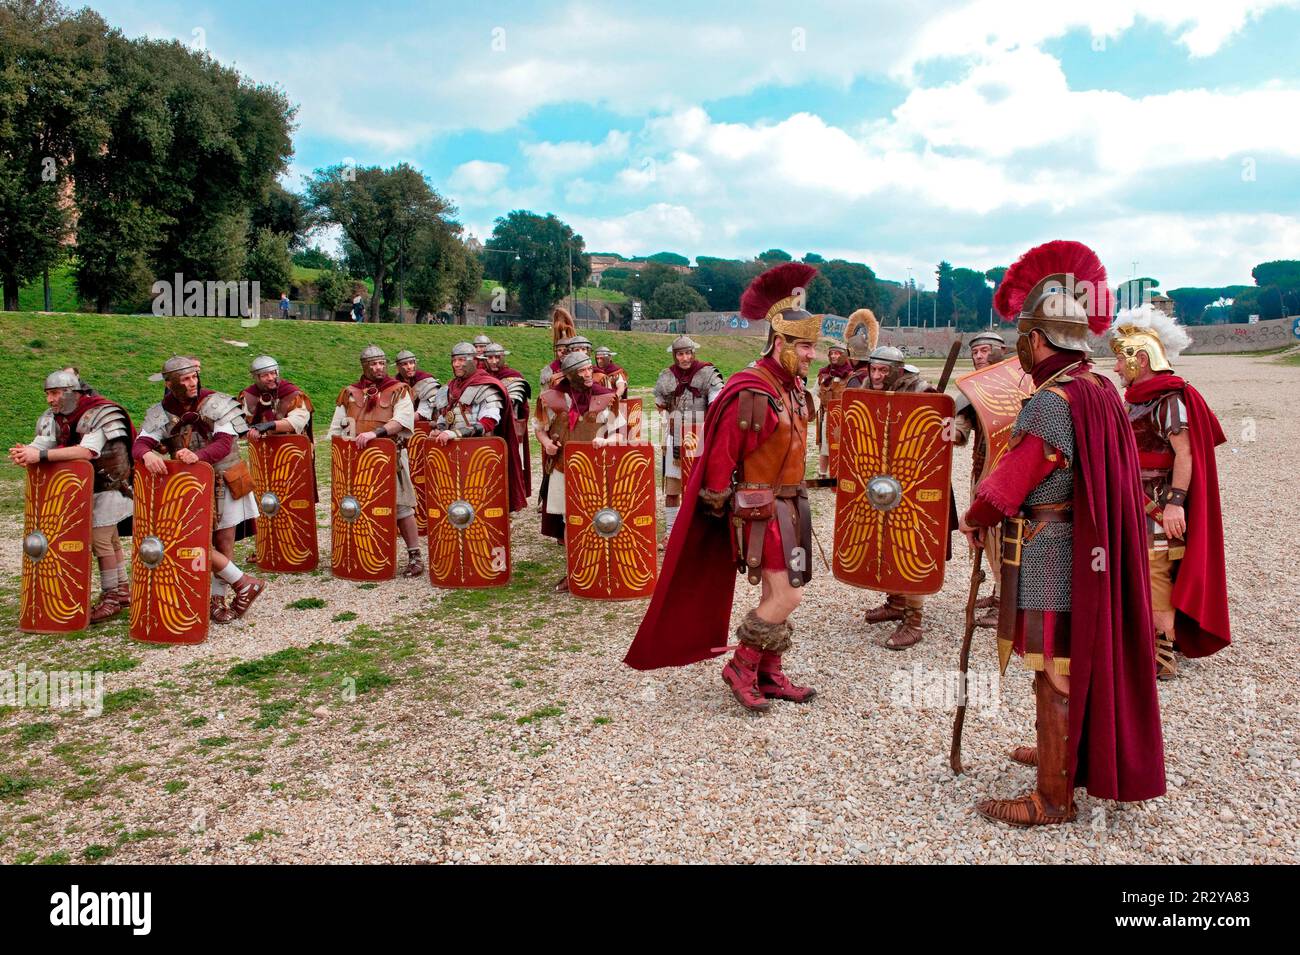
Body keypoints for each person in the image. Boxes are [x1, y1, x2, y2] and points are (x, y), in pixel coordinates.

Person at [959, 239, 1164, 826]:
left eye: (1024, 337)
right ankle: (1063, 752)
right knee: (1064, 665)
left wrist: (976, 520)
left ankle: (1053, 796)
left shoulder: (1053, 400)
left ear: (1037, 340)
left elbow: (1009, 485)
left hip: (1056, 550)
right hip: (1088, 545)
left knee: (1054, 671)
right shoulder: (1097, 388)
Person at [625, 262, 819, 712]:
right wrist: (716, 501)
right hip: (759, 508)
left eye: (813, 347)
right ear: (780, 342)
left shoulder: (791, 388)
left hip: (790, 504)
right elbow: (720, 457)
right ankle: (741, 665)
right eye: (806, 346)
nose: (813, 355)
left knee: (779, 593)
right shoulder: (753, 390)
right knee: (789, 594)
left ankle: (768, 673)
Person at [1108, 305, 1230, 679]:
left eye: (1119, 359)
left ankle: (1163, 651)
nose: (1115, 367)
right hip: (1132, 498)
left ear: (1140, 359)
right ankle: (1142, 639)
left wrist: (1176, 503)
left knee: (1156, 571)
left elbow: (1186, 453)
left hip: (1156, 502)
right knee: (1135, 568)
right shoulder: (1137, 399)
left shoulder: (1169, 399)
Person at [133, 357, 265, 622]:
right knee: (196, 541)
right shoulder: (160, 412)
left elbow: (224, 443)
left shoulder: (216, 403)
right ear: (170, 384)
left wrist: (199, 455)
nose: (193, 383)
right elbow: (141, 443)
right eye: (185, 379)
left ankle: (217, 600)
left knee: (224, 541)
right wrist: (147, 455)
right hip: (190, 486)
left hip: (227, 477)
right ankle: (243, 583)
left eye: (194, 377)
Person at [10, 370, 136, 623]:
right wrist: (26, 452)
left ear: (72, 393)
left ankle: (111, 596)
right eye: (47, 394)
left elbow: (88, 451)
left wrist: (41, 457)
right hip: (88, 488)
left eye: (55, 393)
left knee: (99, 539)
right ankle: (122, 589)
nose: (50, 400)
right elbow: (42, 444)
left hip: (113, 486)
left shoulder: (99, 414)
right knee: (109, 540)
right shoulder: (53, 417)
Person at [858, 345, 953, 649]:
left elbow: (940, 436)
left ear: (897, 371)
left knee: (912, 545)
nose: (876, 376)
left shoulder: (922, 392)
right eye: (873, 369)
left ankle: (914, 621)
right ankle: (896, 602)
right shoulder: (866, 390)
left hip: (915, 485)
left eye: (883, 371)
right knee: (885, 541)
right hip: (883, 484)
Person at [328, 345, 423, 577]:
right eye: (373, 364)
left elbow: (402, 420)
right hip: (358, 460)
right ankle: (365, 553)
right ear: (364, 366)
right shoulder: (350, 392)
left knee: (402, 507)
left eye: (381, 363)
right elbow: (339, 427)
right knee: (360, 508)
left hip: (390, 456)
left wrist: (376, 434)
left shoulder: (399, 390)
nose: (378, 367)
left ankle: (415, 556)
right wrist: (346, 444)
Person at [534, 349, 623, 578]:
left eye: (588, 368)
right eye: (581, 370)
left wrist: (606, 440)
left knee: (599, 518)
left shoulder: (605, 397)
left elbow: (621, 434)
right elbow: (540, 430)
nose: (587, 374)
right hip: (563, 467)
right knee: (569, 520)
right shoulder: (552, 399)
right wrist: (546, 443)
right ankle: (575, 571)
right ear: (570, 374)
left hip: (596, 469)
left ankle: (601, 568)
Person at [952, 330, 1010, 628]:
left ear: (1001, 351)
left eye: (985, 351)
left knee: (1002, 538)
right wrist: (951, 430)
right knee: (983, 534)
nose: (978, 357)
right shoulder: (973, 392)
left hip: (1009, 474)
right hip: (981, 471)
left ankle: (1006, 599)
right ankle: (1001, 590)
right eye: (975, 352)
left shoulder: (1017, 383)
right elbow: (961, 427)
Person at [430, 342, 528, 512]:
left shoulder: (487, 386)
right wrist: (439, 428)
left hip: (481, 451)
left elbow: (490, 420)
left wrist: (455, 433)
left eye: (461, 360)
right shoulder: (450, 387)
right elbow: (445, 415)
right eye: (454, 360)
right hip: (452, 451)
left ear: (474, 361)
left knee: (482, 499)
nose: (457, 364)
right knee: (455, 499)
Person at [652, 335, 724, 545]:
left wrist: (705, 424)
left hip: (700, 438)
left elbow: (716, 400)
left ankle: (701, 532)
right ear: (675, 355)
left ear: (694, 353)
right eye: (680, 354)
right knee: (673, 488)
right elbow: (659, 403)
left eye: (688, 353)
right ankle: (671, 531)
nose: (684, 358)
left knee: (702, 487)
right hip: (675, 438)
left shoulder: (707, 372)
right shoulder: (667, 375)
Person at [483, 342, 533, 497]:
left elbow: (518, 406)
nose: (493, 361)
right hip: (486, 427)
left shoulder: (514, 377)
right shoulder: (480, 377)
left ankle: (510, 498)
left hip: (508, 426)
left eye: (497, 357)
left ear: (503, 357)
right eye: (489, 357)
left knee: (510, 463)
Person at [815, 321, 858, 477]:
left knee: (843, 446)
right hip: (827, 415)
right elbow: (816, 392)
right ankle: (822, 473)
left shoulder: (851, 375)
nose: (833, 356)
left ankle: (841, 474)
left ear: (844, 355)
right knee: (825, 446)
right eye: (832, 353)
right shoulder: (824, 373)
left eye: (837, 353)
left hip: (845, 416)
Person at [393, 350, 441, 421]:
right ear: (398, 367)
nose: (409, 367)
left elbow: (423, 413)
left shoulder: (427, 382)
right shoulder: (394, 384)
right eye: (405, 364)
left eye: (411, 363)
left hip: (426, 426)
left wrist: (398, 421)